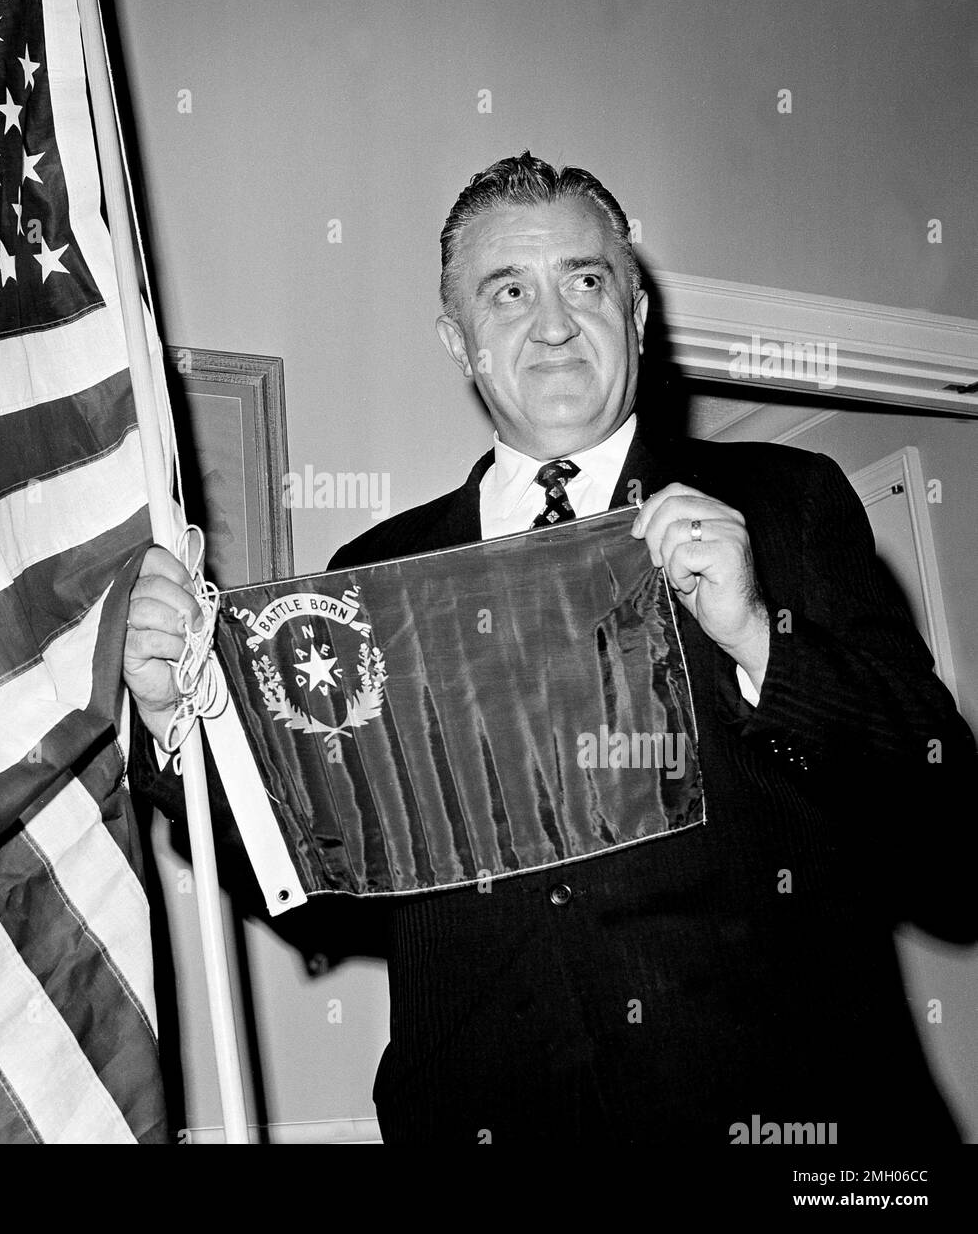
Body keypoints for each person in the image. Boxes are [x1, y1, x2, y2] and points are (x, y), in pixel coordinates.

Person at [123, 152, 976, 1144]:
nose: (556, 323)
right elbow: (311, 868)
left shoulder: (789, 505)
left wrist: (759, 638)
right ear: (459, 339)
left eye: (586, 280)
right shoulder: (377, 570)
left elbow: (948, 838)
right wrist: (176, 719)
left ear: (639, 313)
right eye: (509, 292)